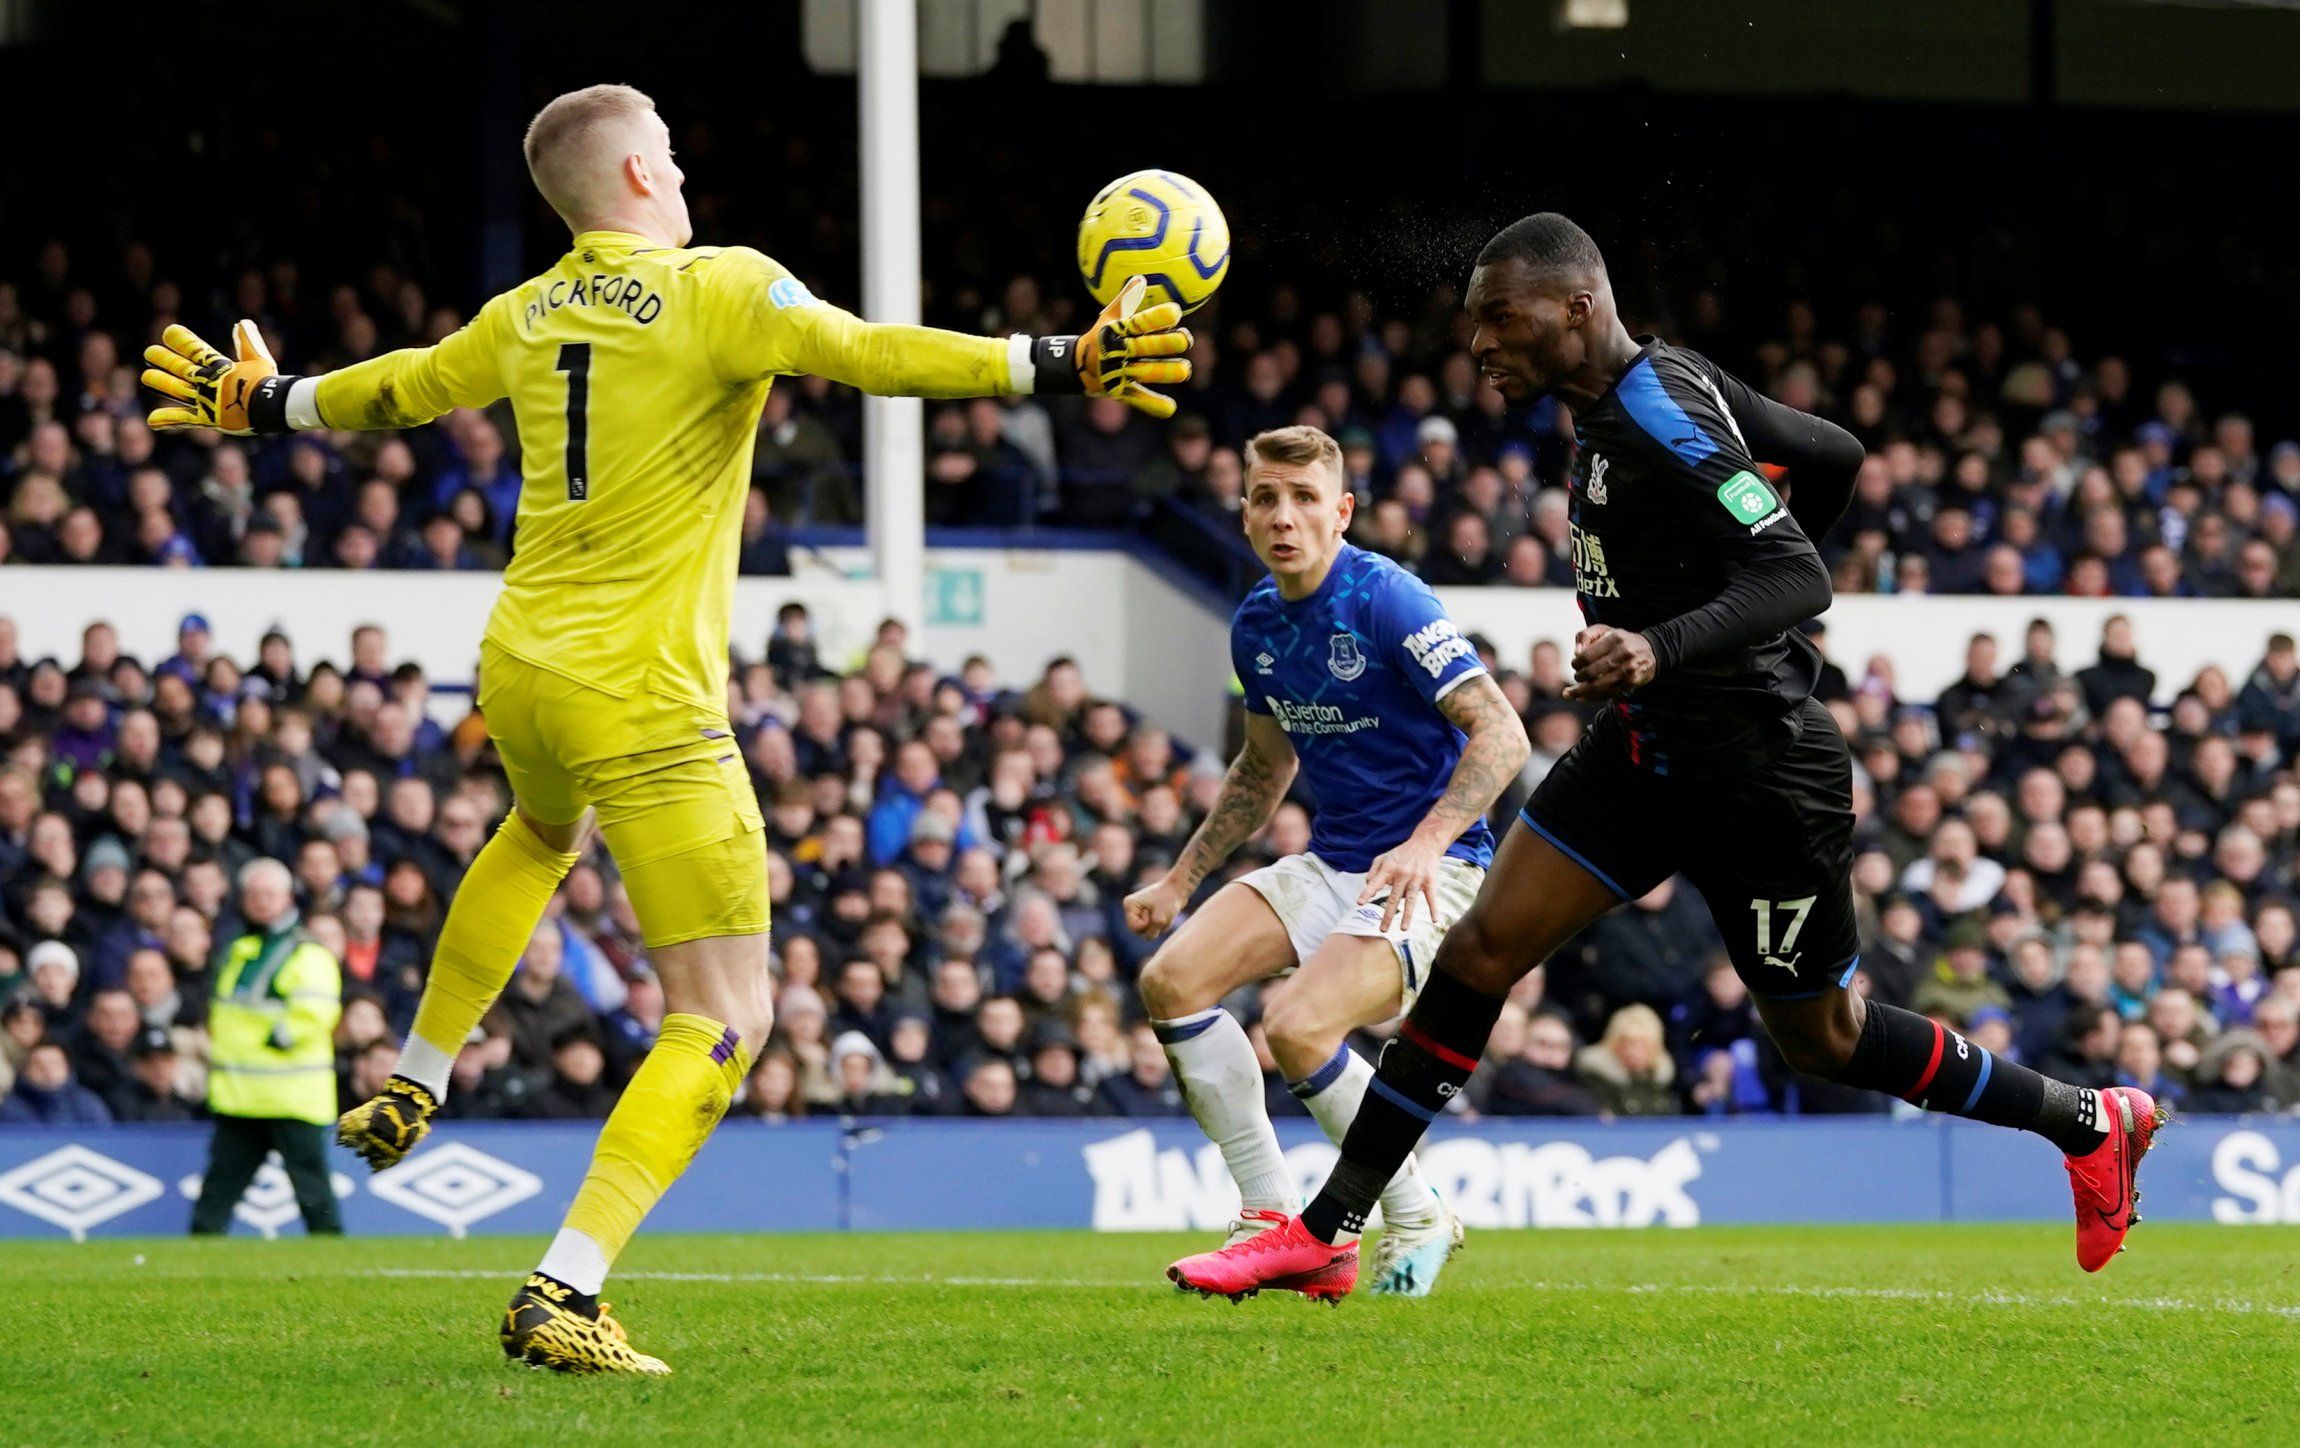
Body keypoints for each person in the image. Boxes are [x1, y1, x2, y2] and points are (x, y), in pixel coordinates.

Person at [144, 84, 1190, 1373]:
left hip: (519, 668)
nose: (685, 173)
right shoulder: (720, 286)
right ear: (641, 174)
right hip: (643, 697)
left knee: (539, 835)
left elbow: (402, 389)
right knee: (725, 1014)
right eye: (674, 155)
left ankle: (419, 1070)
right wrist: (1057, 360)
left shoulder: (524, 311)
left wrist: (268, 403)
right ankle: (563, 1287)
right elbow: (869, 354)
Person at [1170, 213, 2162, 1303]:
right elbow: (1832, 456)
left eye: (1500, 320)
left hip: (1759, 775)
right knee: (1477, 955)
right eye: (1473, 324)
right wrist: (1705, 622)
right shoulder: (1639, 393)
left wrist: (1665, 642)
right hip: (1642, 750)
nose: (1480, 345)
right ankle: (1328, 1229)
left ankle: (2085, 1119)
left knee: (1823, 1038)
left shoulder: (1659, 409)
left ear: (1576, 308)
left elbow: (1799, 574)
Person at [1127, 423, 1527, 1297]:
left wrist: (1427, 842)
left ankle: (1415, 1212)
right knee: (1171, 983)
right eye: (1266, 498)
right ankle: (1269, 1213)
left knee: (1299, 1027)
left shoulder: (1388, 599)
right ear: (1243, 514)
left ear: (1341, 512)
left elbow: (1502, 732)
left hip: (1437, 869)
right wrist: (1180, 881)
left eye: (1304, 498)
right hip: (1335, 860)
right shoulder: (1255, 625)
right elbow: (1263, 767)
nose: (1285, 516)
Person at [191, 858, 344, 1236]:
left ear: (288, 897)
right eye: (254, 894)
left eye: (269, 894)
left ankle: (334, 1258)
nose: (261, 901)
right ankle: (195, 1259)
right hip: (240, 1096)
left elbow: (317, 1012)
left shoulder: (308, 952)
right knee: (217, 1191)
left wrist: (278, 1039)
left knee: (313, 1191)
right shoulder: (239, 948)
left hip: (292, 1096)